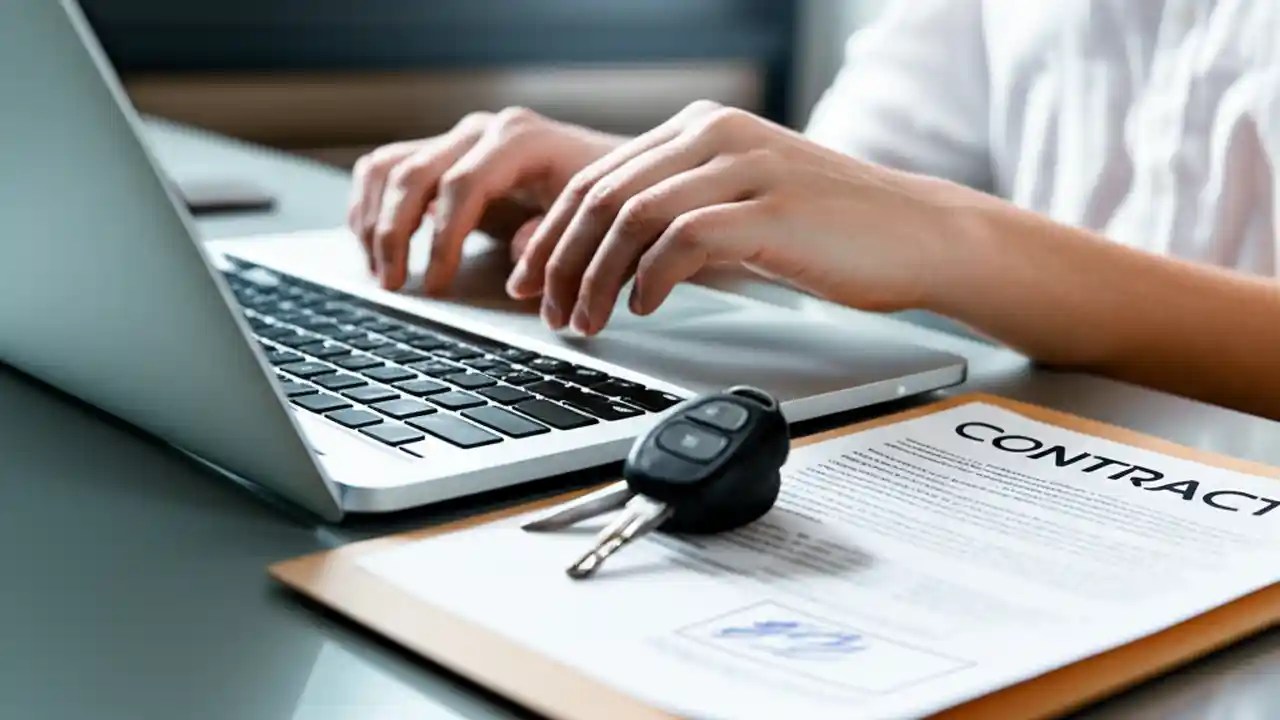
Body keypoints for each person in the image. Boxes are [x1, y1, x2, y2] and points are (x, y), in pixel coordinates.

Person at [346, 0, 1280, 420]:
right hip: (1060, 453)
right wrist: (630, 188)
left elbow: (906, 217)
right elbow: (845, 190)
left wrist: (952, 237)